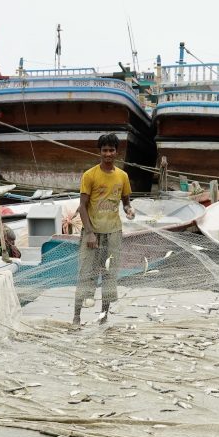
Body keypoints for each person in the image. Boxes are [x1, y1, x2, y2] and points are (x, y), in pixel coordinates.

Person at [73, 133, 135, 325]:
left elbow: (125, 202)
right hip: (93, 232)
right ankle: (76, 316)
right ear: (99, 152)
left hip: (114, 232)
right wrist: (90, 233)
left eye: (111, 150)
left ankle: (104, 316)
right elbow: (82, 206)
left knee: (109, 274)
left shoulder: (122, 176)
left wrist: (129, 210)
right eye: (105, 150)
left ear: (117, 152)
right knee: (86, 272)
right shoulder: (90, 175)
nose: (108, 153)